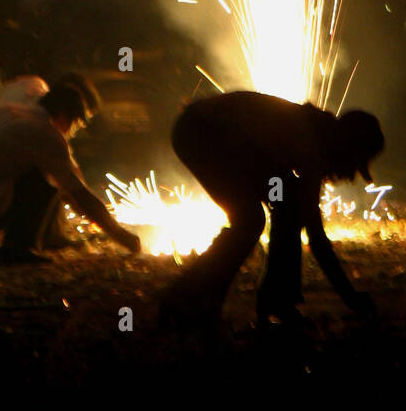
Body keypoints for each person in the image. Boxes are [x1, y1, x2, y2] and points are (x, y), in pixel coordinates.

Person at [160, 91, 384, 329]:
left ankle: (263, 302)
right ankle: (185, 300)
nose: (348, 176)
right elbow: (316, 237)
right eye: (353, 165)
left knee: (283, 204)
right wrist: (350, 296)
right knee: (250, 221)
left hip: (208, 130)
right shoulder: (309, 146)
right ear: (347, 147)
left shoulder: (313, 131)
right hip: (201, 132)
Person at [0, 72, 140, 264]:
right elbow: (77, 194)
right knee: (45, 181)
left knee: (36, 174)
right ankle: (16, 248)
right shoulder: (46, 133)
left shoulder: (5, 109)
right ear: (62, 115)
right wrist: (121, 236)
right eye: (76, 124)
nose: (73, 131)